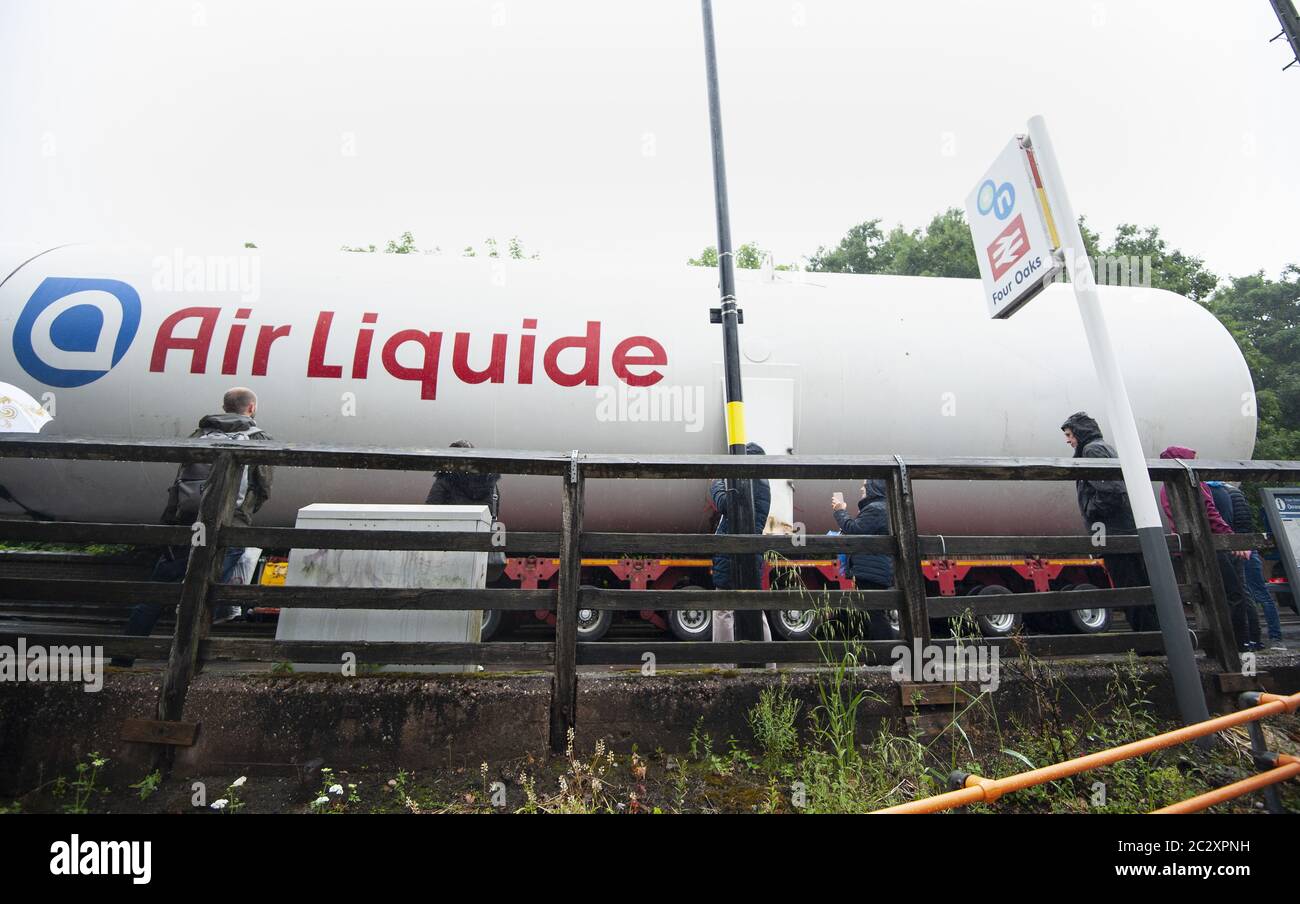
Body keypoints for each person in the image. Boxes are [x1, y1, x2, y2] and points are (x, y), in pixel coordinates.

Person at [115, 388, 274, 664]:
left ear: (223, 406)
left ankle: (123, 657)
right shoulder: (259, 439)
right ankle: (189, 658)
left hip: (188, 521)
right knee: (207, 590)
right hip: (229, 526)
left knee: (159, 588)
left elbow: (180, 479)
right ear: (251, 409)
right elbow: (263, 487)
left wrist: (173, 518)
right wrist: (243, 515)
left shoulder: (199, 435)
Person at [1059, 412, 1155, 631]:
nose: (1068, 440)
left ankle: (1149, 639)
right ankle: (1154, 636)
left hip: (1115, 531)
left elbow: (1112, 491)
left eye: (1069, 434)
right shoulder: (1099, 447)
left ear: (1080, 433)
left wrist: (1091, 510)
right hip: (1121, 529)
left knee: (1130, 588)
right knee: (1139, 586)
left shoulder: (1092, 450)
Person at [1157, 446, 1259, 652]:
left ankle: (1214, 645)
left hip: (1188, 548)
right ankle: (1237, 645)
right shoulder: (1194, 481)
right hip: (1210, 544)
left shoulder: (1165, 488)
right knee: (1233, 594)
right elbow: (1210, 513)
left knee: (1203, 596)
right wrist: (1231, 539)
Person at [709, 442, 771, 643]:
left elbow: (727, 504)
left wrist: (717, 484)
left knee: (723, 609)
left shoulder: (747, 481)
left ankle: (724, 664)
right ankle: (768, 662)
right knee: (754, 608)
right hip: (750, 552)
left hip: (732, 553)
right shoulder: (763, 483)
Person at [425, 440, 504, 580]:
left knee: (447, 582)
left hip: (449, 545)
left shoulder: (445, 480)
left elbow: (430, 511)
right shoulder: (491, 483)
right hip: (479, 546)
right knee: (473, 581)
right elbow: (494, 512)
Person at [832, 479, 895, 639]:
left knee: (874, 614)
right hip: (874, 568)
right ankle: (879, 656)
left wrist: (840, 510)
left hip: (871, 570)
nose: (861, 488)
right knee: (872, 613)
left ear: (873, 488)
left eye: (864, 484)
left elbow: (854, 530)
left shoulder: (875, 509)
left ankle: (885, 655)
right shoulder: (881, 507)